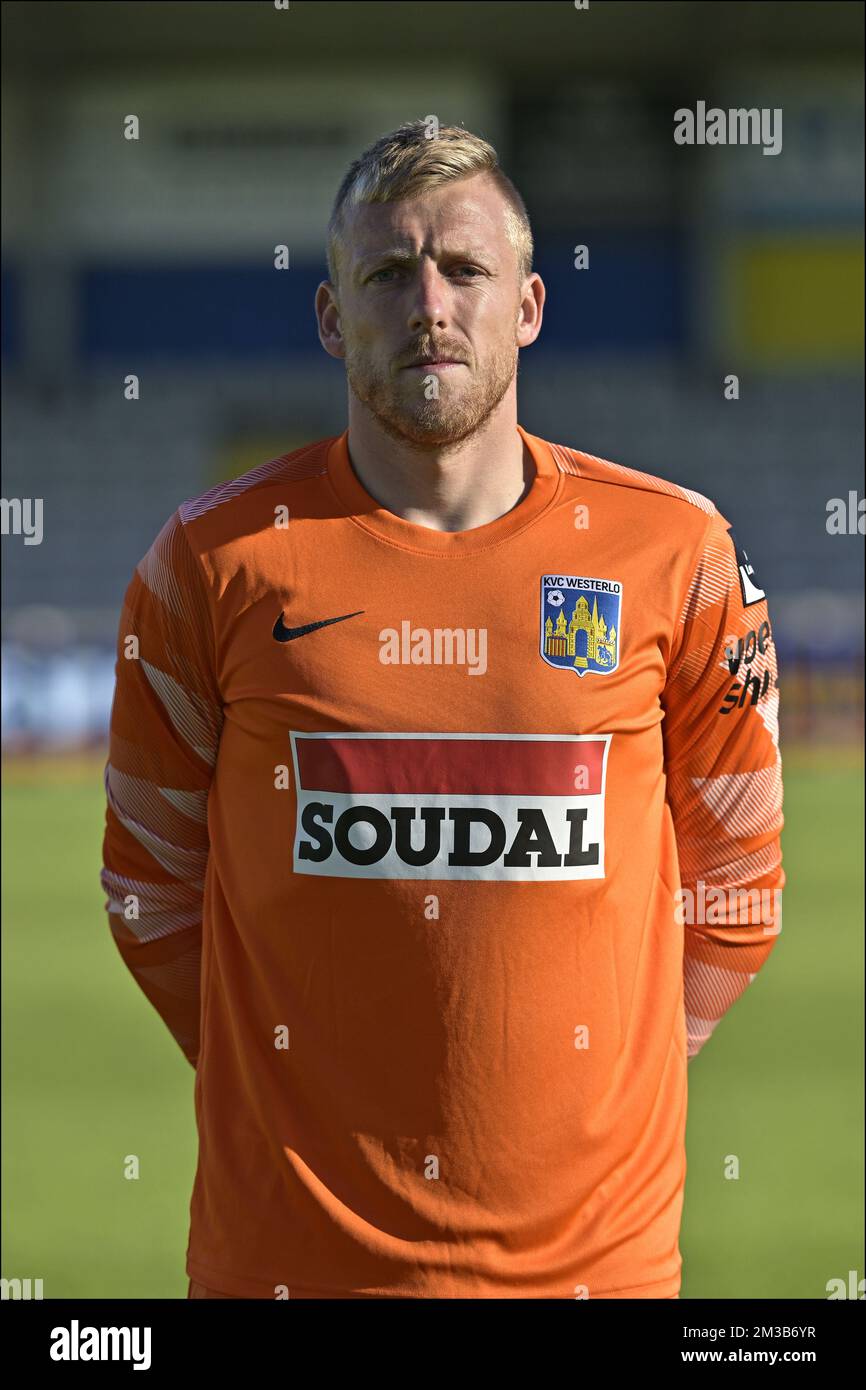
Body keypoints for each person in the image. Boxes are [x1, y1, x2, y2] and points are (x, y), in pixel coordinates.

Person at [100, 121, 784, 1300]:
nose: (428, 303)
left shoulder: (675, 551)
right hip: (288, 1268)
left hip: (592, 1274)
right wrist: (278, 1084)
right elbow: (149, 885)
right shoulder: (209, 564)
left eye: (462, 270)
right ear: (329, 317)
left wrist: (598, 1099)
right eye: (386, 273)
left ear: (524, 307)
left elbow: (737, 877)